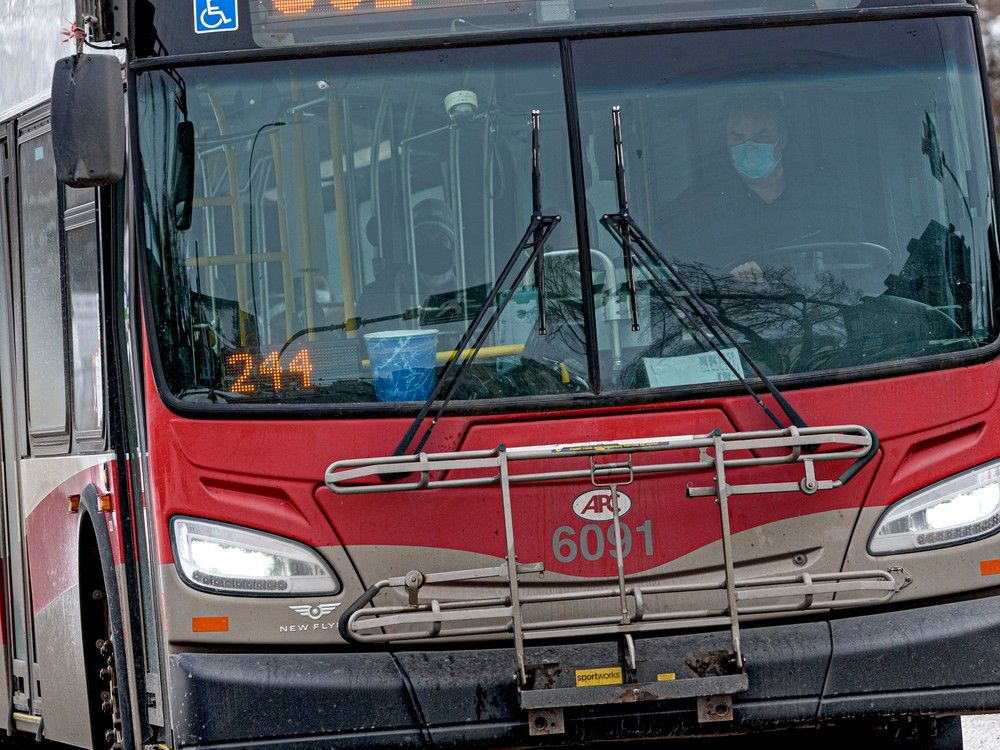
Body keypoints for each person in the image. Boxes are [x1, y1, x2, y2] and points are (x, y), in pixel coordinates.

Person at [665, 93, 836, 279]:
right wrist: (726, 282)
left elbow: (860, 269)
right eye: (738, 137)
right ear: (726, 141)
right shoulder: (696, 210)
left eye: (760, 136)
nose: (748, 146)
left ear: (783, 138)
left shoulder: (823, 200)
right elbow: (681, 275)